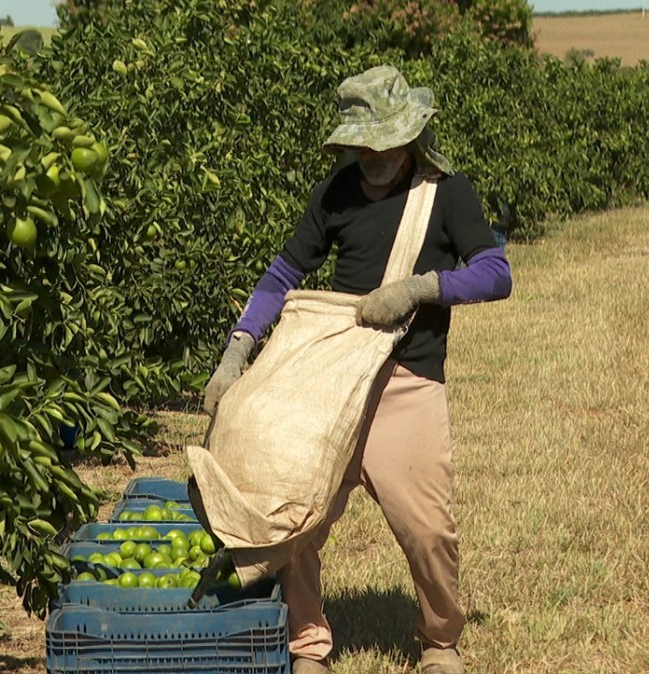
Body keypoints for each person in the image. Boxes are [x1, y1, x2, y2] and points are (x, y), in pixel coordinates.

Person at [202, 65, 512, 674]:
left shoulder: (446, 192)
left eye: (383, 144)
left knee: (427, 530)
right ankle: (306, 644)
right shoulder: (336, 191)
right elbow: (283, 274)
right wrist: (238, 347)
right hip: (335, 378)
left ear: (407, 137)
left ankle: (440, 641)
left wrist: (423, 287)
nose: (371, 157)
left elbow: (496, 273)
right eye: (360, 146)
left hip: (407, 379)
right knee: (294, 515)